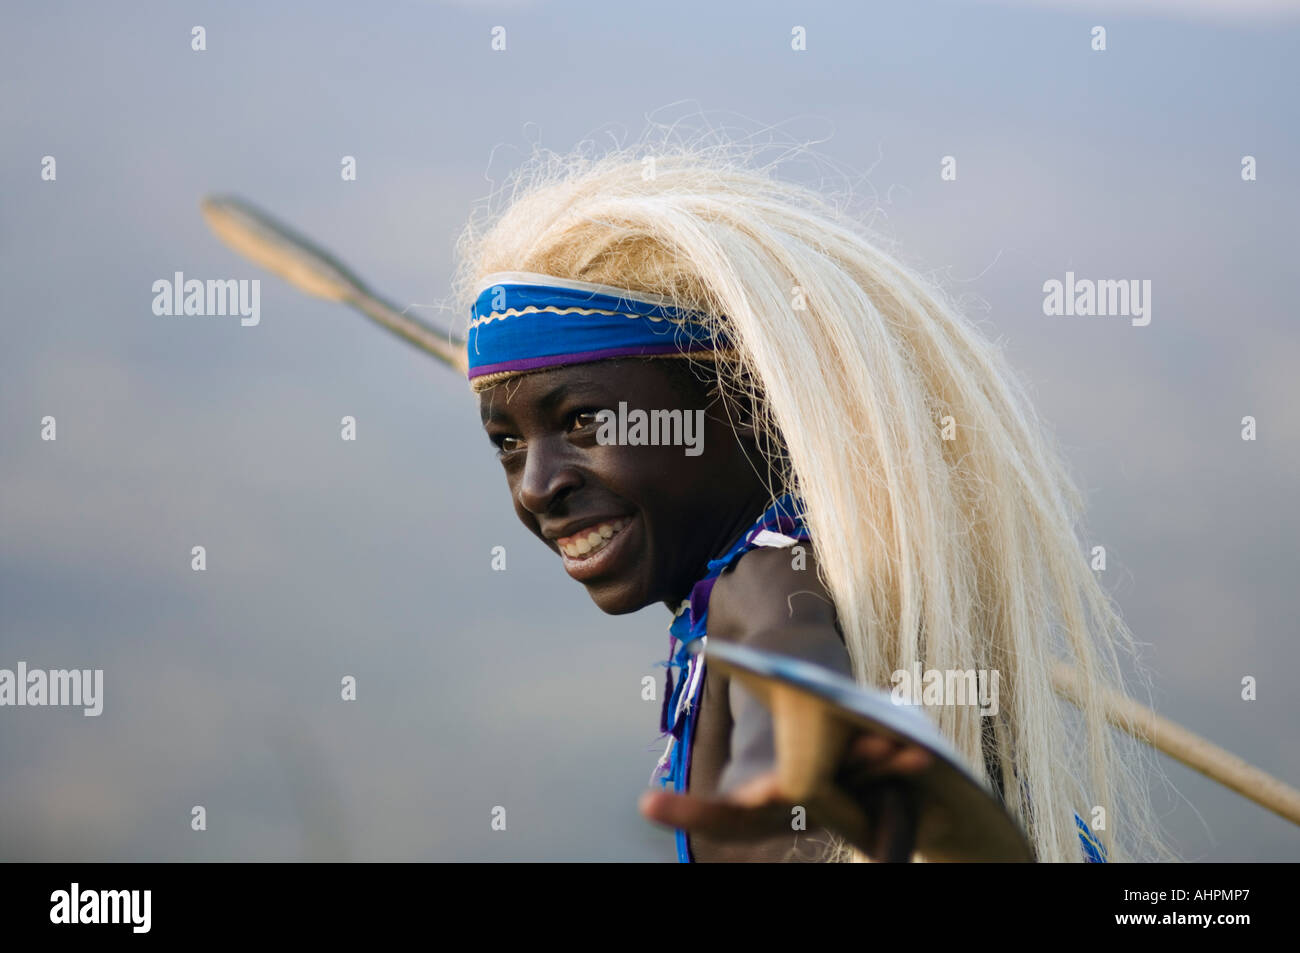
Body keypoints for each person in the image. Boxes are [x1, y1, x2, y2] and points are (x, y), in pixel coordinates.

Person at [453, 142, 1169, 862]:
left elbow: (785, 652)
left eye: (583, 422)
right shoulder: (829, 580)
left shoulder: (766, 578)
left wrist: (800, 749)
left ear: (746, 402)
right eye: (508, 442)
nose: (538, 483)